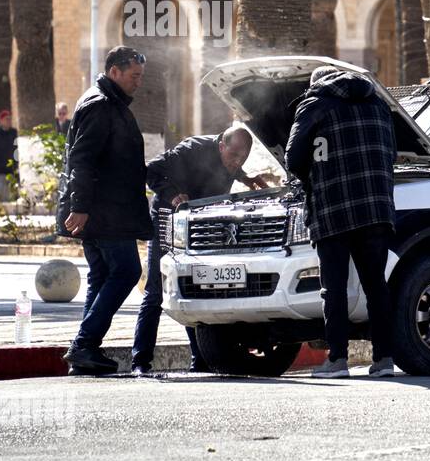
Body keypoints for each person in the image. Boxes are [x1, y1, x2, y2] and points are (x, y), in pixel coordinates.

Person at [285, 66, 397, 379]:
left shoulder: (314, 104)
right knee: (376, 285)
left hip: (333, 208)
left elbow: (293, 159)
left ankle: (337, 360)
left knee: (333, 289)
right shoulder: (378, 104)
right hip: (376, 208)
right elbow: (391, 153)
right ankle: (384, 360)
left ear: (316, 84)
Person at [132, 127, 272, 375]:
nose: (237, 162)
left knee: (195, 289)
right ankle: (140, 361)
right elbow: (151, 170)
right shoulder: (191, 149)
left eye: (244, 157)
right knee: (156, 290)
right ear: (221, 145)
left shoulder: (230, 158)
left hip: (200, 225)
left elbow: (227, 166)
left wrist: (244, 177)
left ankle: (201, 359)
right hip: (169, 219)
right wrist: (173, 195)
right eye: (234, 156)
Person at [56, 47, 154, 376]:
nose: (139, 83)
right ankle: (84, 344)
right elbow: (82, 159)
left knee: (100, 276)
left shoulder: (108, 103)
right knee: (126, 271)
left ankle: (86, 350)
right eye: (134, 76)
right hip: (104, 212)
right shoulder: (101, 105)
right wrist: (80, 207)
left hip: (103, 211)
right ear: (115, 72)